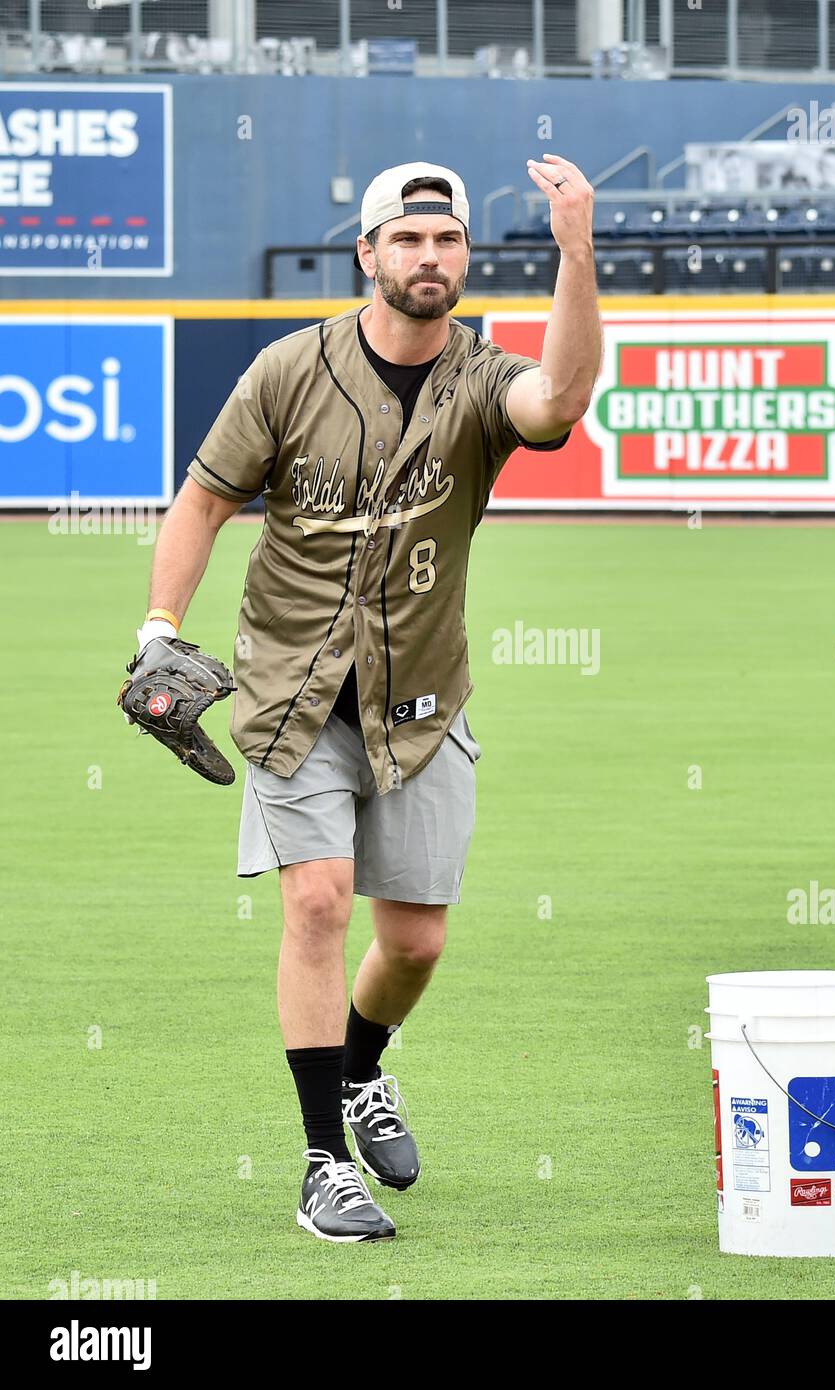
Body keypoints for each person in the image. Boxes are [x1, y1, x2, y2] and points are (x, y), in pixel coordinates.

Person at [130, 158, 601, 1242]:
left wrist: (576, 251)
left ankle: (362, 1069)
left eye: (446, 241)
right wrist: (159, 631)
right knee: (316, 904)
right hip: (292, 688)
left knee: (418, 942)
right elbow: (202, 500)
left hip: (423, 699)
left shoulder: (484, 382)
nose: (427, 256)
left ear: (465, 260)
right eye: (408, 238)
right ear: (368, 253)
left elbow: (562, 398)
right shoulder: (288, 371)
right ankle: (318, 1163)